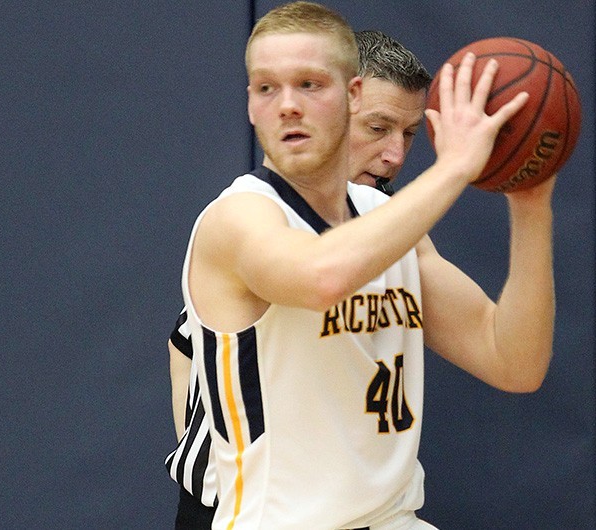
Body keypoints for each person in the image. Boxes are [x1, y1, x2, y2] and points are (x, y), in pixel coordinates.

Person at [179, 1, 553, 528]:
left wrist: (530, 202)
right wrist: (456, 167)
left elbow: (514, 362)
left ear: (349, 95)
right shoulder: (239, 219)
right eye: (267, 88)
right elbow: (321, 277)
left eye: (309, 85)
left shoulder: (390, 223)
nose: (288, 105)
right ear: (250, 104)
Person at [165, 28, 432, 528]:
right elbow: (184, 346)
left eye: (408, 134)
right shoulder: (260, 216)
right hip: (246, 506)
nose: (395, 154)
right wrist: (217, 463)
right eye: (378, 128)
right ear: (340, 106)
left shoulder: (386, 219)